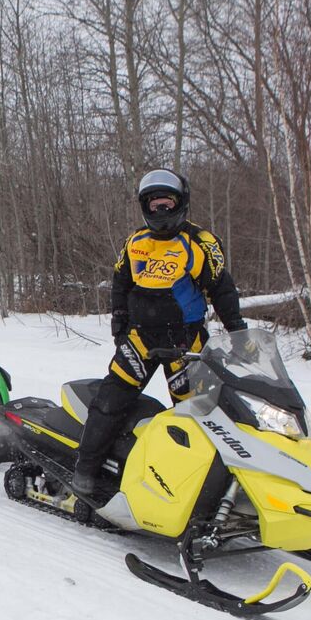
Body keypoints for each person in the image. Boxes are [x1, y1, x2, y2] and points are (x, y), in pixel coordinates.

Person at [70, 168, 247, 500]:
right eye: (154, 205)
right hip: (141, 339)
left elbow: (222, 289)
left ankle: (211, 486)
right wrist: (119, 325)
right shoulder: (135, 243)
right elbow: (120, 283)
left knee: (201, 412)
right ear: (144, 207)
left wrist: (238, 332)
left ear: (181, 203)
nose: (160, 210)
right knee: (110, 401)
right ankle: (86, 468)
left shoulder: (200, 243)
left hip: (187, 342)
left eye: (167, 203)